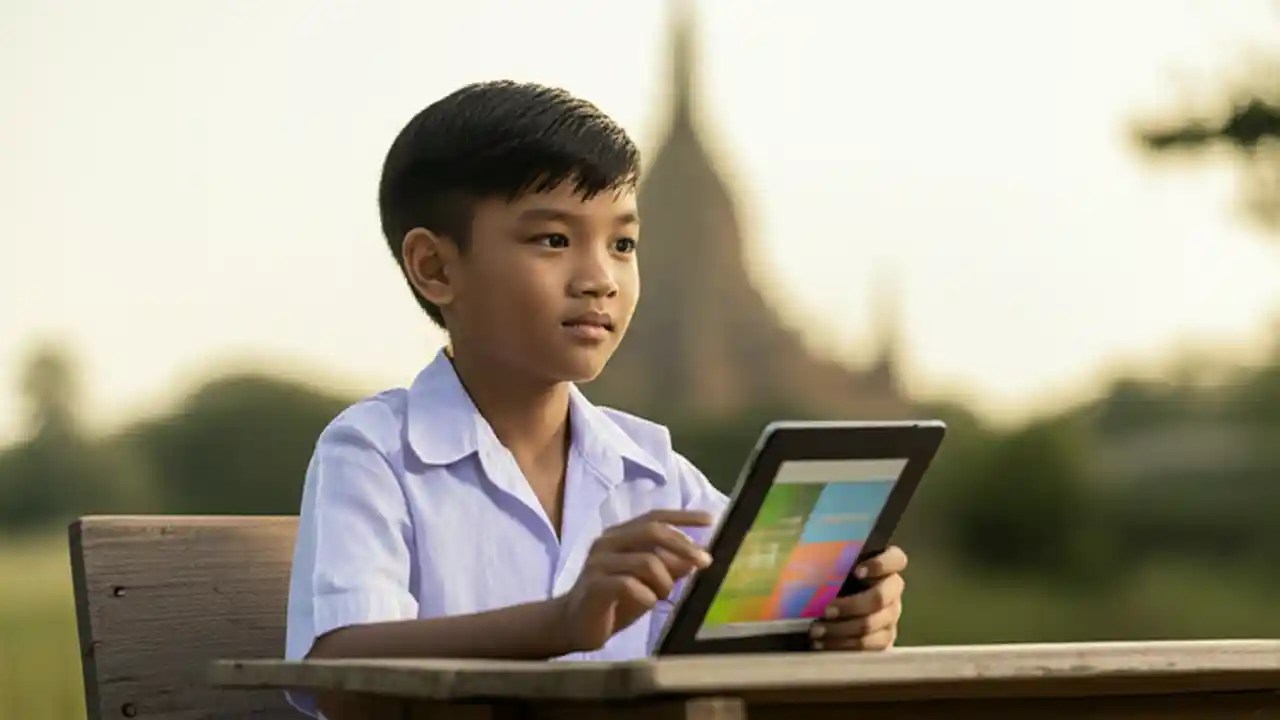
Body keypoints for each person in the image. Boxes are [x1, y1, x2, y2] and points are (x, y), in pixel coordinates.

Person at [284, 80, 908, 716]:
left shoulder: (656, 474)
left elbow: (755, 639)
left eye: (622, 245)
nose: (600, 279)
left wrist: (844, 619)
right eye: (554, 240)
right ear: (436, 268)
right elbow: (341, 673)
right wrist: (560, 622)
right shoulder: (375, 453)